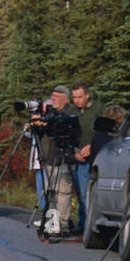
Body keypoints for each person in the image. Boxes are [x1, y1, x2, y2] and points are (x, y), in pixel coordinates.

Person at [33, 85, 81, 239]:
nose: (54, 99)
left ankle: (63, 223)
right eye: (52, 96)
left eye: (57, 97)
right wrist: (38, 121)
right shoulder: (49, 114)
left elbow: (75, 133)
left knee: (63, 192)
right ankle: (52, 224)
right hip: (49, 157)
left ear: (66, 99)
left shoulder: (70, 113)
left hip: (65, 157)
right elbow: (40, 133)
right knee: (50, 192)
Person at [69, 82, 106, 234]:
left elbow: (104, 131)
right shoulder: (72, 111)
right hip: (78, 158)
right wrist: (75, 151)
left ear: (87, 95)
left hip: (95, 157)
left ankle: (92, 225)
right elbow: (68, 133)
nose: (77, 100)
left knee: (88, 194)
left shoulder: (99, 109)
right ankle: (83, 222)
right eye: (74, 98)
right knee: (80, 193)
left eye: (79, 97)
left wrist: (91, 145)